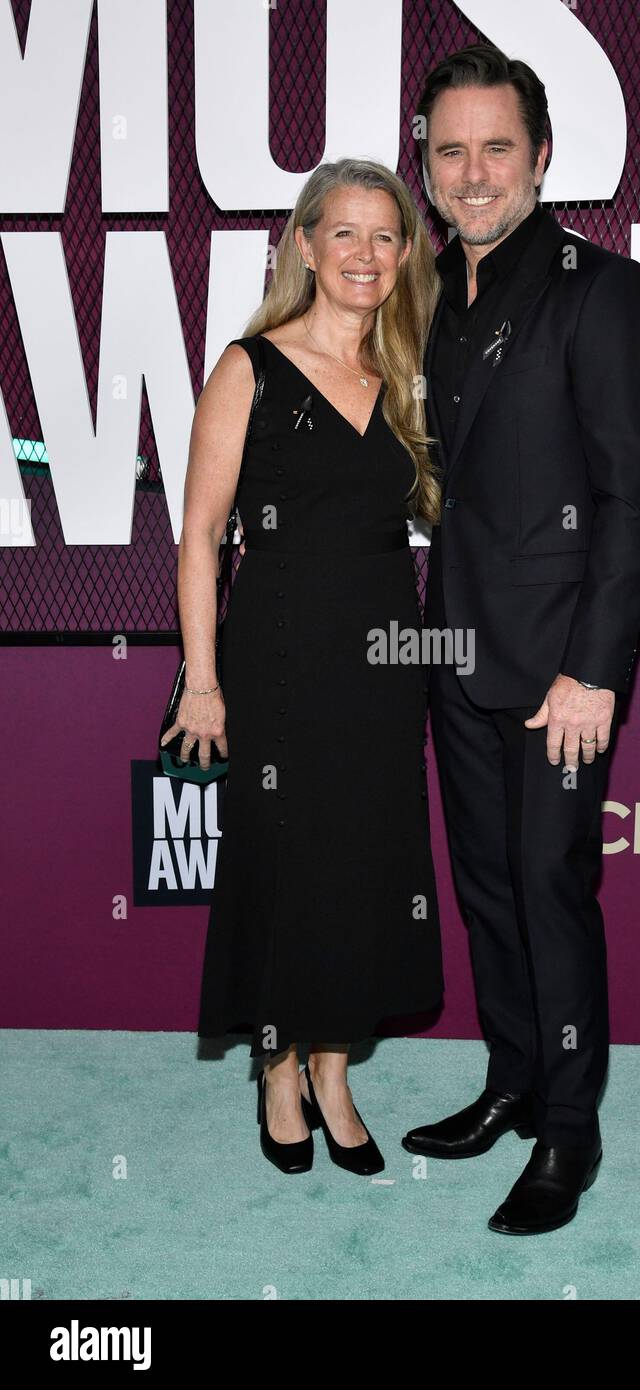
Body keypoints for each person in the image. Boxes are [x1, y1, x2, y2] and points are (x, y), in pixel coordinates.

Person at [401, 45, 640, 1234]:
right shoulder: (431, 297)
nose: (473, 173)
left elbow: (630, 501)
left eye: (495, 148)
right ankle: (512, 1078)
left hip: (560, 669)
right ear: (427, 163)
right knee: (487, 890)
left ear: (542, 157)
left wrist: (593, 671)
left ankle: (570, 1128)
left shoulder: (597, 289)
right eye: (450, 150)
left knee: (550, 892)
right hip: (452, 659)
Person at [162, 159, 444, 1177]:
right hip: (278, 653)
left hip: (382, 657)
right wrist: (204, 679)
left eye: (385, 236)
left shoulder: (406, 375)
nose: (365, 254)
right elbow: (199, 537)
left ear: (404, 253)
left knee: (363, 863)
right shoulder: (251, 366)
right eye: (345, 234)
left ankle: (335, 1068)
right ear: (306, 246)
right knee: (287, 860)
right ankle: (279, 1067)